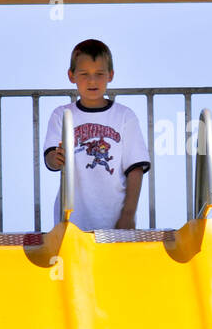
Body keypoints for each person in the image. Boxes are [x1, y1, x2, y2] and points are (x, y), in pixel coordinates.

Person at [43, 39, 150, 231]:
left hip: (115, 221)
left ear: (110, 75)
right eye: (84, 74)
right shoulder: (61, 115)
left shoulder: (125, 116)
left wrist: (128, 215)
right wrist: (55, 158)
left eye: (99, 74)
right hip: (72, 222)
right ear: (71, 75)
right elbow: (50, 158)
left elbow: (135, 168)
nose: (92, 81)